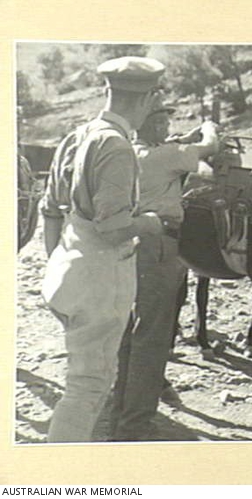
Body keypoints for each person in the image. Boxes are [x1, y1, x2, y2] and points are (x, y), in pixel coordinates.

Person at [40, 56, 166, 443]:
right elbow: (112, 229)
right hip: (100, 283)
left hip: (69, 271)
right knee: (87, 388)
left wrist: (60, 266)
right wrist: (149, 222)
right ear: (149, 99)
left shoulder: (78, 135)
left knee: (86, 380)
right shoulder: (116, 146)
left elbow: (51, 209)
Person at [110, 97, 220, 441]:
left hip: (132, 243)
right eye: (161, 122)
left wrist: (183, 141)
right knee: (153, 339)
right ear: (149, 124)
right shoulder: (166, 155)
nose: (168, 128)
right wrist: (209, 128)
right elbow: (209, 147)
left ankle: (120, 415)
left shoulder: (134, 152)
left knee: (131, 335)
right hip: (160, 245)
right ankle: (135, 426)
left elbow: (177, 149)